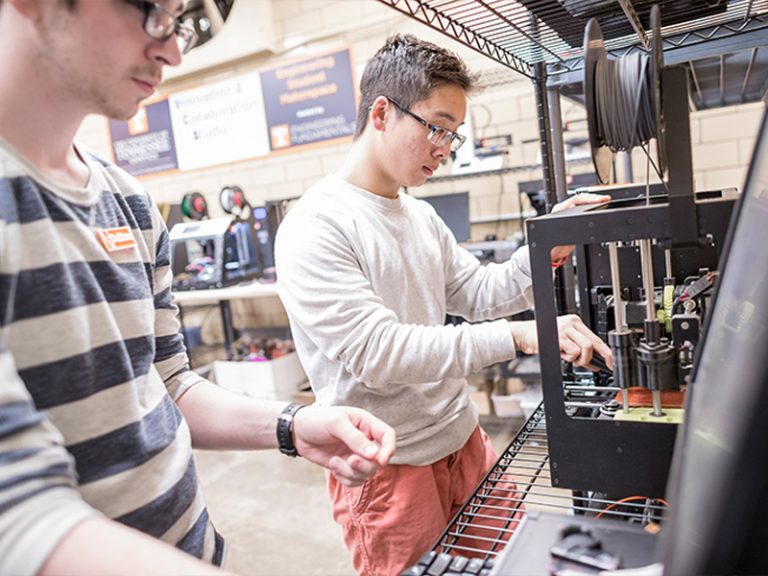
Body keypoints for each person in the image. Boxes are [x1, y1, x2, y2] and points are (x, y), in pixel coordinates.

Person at [0, 1, 396, 575]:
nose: (174, 49)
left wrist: (291, 425)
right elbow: (17, 516)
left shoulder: (129, 203)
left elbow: (170, 385)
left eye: (180, 22)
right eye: (153, 11)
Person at [275, 33, 614, 575]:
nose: (445, 148)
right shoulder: (317, 227)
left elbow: (479, 293)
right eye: (436, 127)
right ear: (381, 113)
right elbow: (380, 353)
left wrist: (548, 242)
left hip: (463, 443)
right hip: (388, 470)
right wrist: (520, 335)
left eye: (453, 134)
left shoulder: (418, 216)